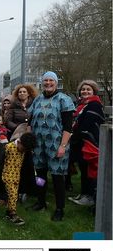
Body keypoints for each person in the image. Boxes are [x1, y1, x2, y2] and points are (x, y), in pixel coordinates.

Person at [28, 71, 75, 221]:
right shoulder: (37, 100)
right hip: (38, 146)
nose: (48, 83)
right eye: (45, 80)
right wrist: (30, 140)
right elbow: (30, 122)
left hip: (56, 146)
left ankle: (60, 208)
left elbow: (68, 126)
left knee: (57, 178)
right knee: (40, 176)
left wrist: (63, 145)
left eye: (51, 80)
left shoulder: (64, 99)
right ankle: (41, 202)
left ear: (56, 82)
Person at [68, 80, 105, 207]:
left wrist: (74, 134)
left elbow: (88, 124)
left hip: (90, 142)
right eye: (83, 89)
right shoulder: (82, 105)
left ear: (94, 91)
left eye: (88, 89)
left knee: (89, 170)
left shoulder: (94, 104)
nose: (85, 91)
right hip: (81, 141)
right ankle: (84, 194)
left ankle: (89, 196)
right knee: (83, 169)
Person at [2, 132, 36, 226]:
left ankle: (9, 213)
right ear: (20, 142)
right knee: (13, 195)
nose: (23, 151)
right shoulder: (8, 147)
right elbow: (0, 160)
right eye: (23, 148)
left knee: (14, 195)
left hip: (17, 176)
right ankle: (13, 214)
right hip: (7, 175)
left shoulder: (25, 150)